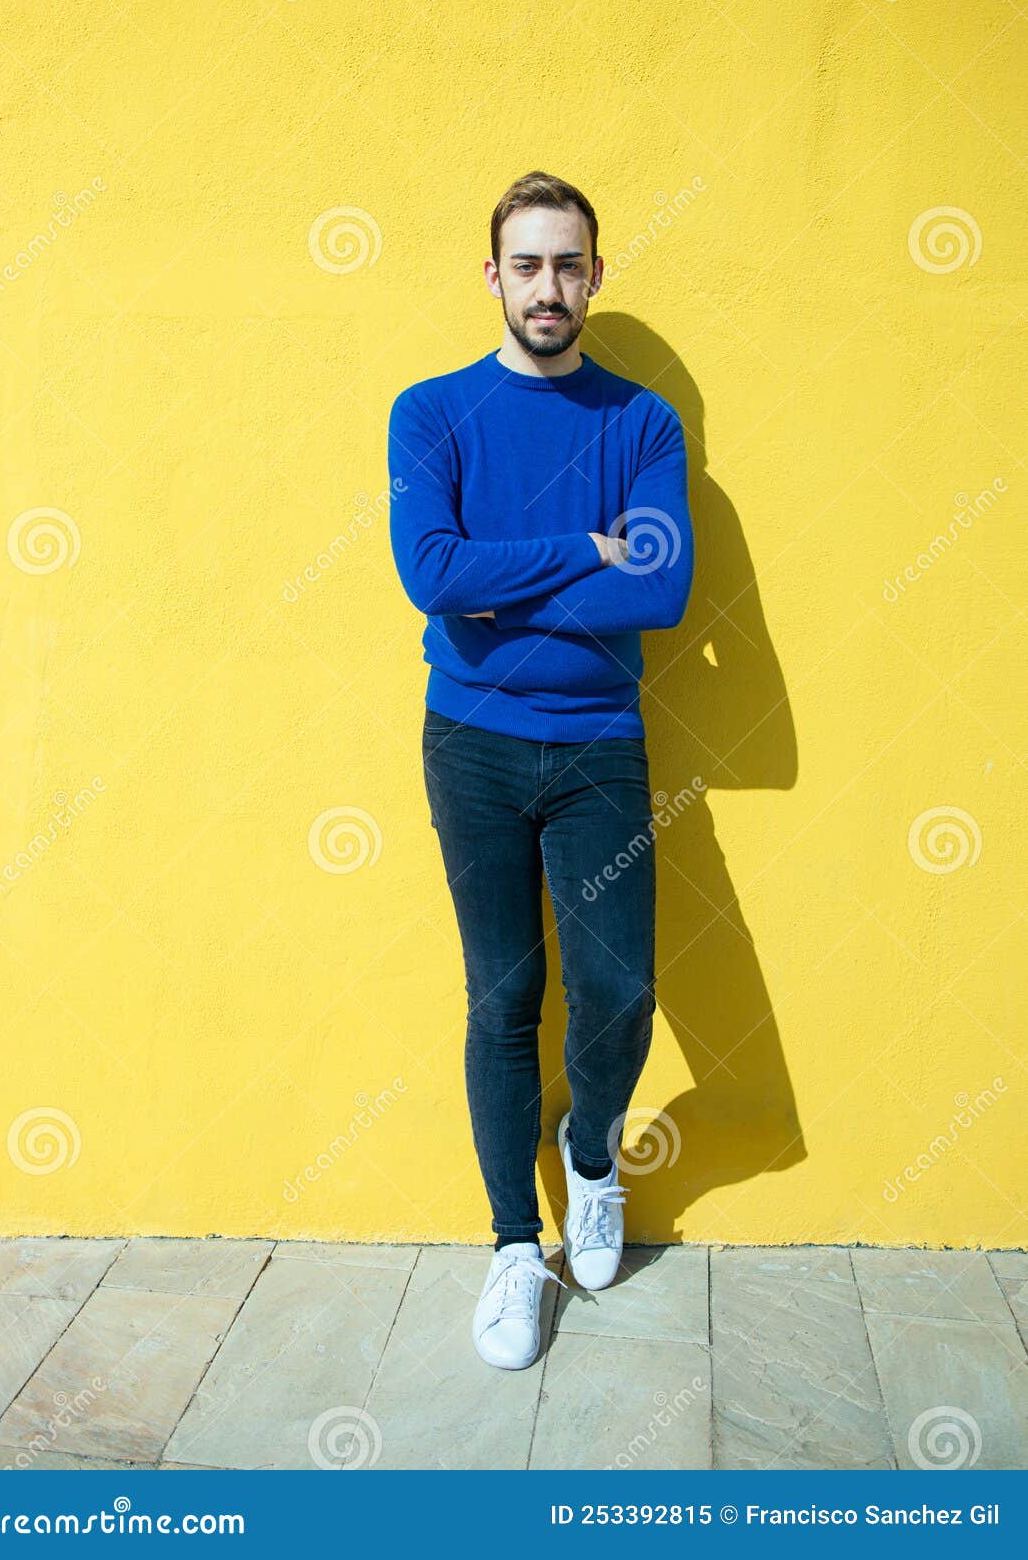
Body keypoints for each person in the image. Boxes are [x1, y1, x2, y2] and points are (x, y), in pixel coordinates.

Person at [387, 171, 694, 1370]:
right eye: (527, 264)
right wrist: (580, 550)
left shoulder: (642, 423)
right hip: (468, 744)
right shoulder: (432, 411)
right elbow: (430, 573)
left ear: (595, 275)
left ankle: (589, 1155)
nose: (549, 286)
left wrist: (498, 581)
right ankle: (515, 1249)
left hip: (600, 748)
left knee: (618, 990)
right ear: (493, 277)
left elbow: (660, 590)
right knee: (502, 996)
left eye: (569, 264)